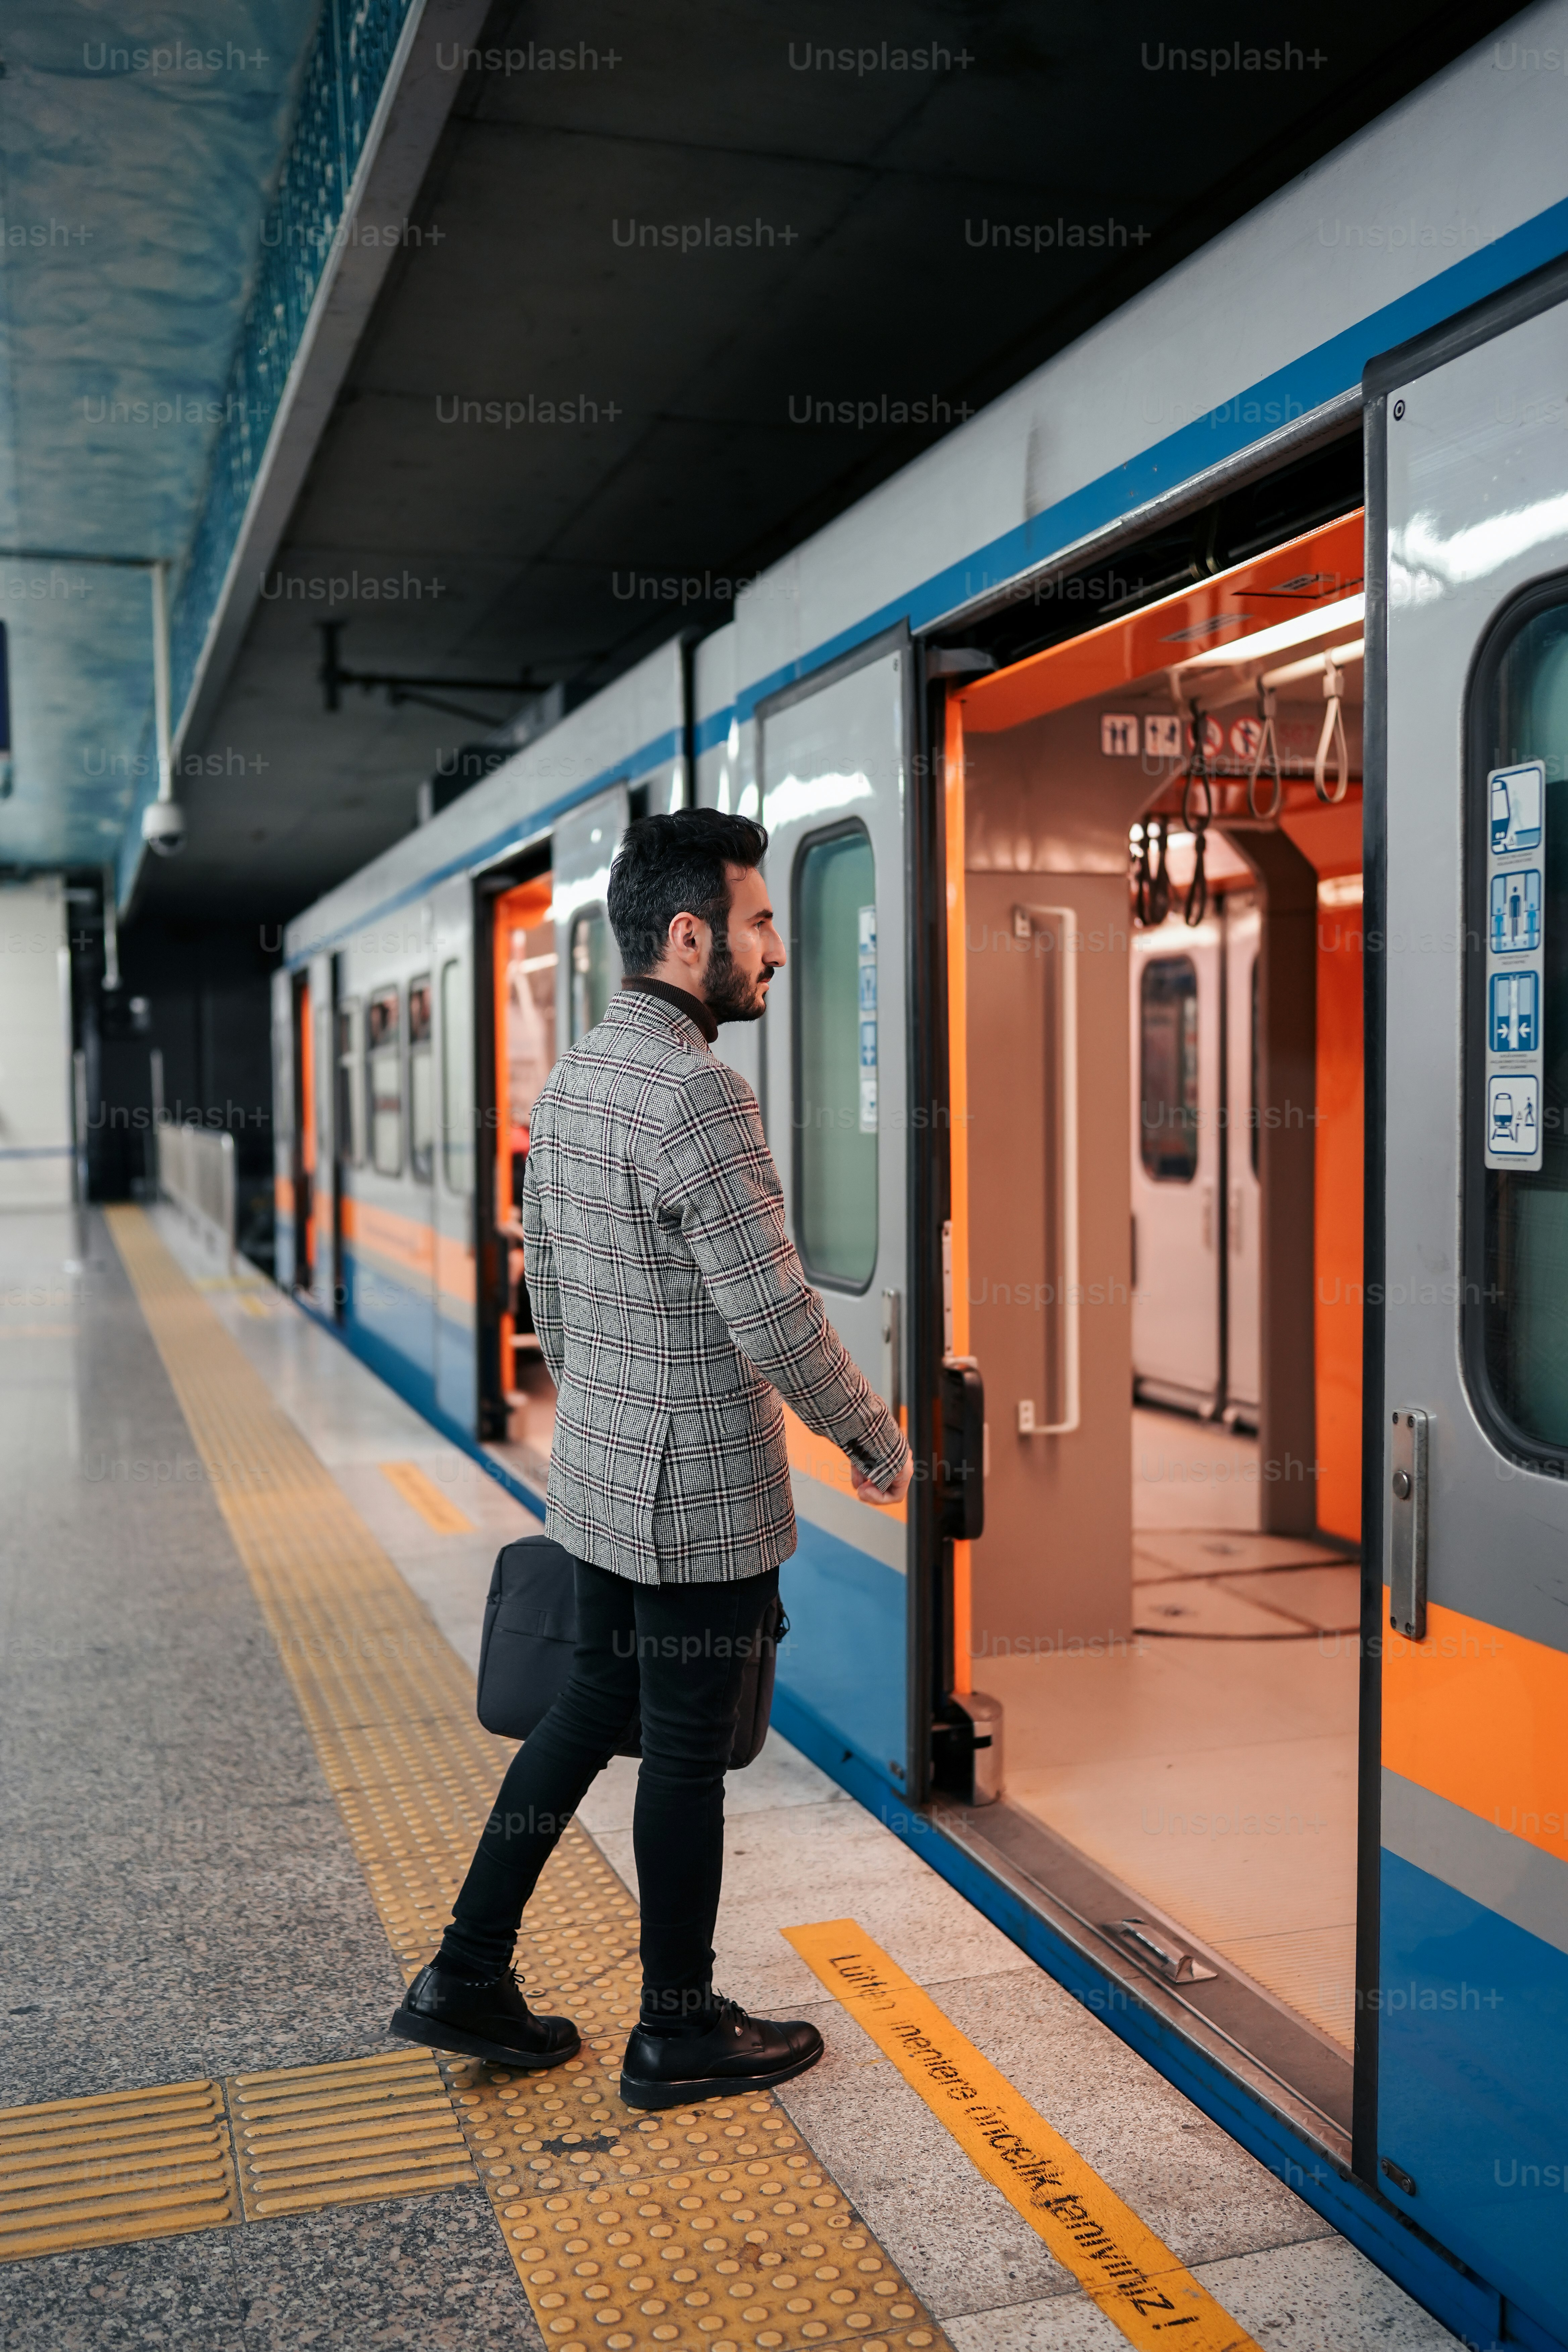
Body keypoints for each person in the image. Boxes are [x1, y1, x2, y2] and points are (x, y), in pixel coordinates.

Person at [392, 807, 913, 2108]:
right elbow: (775, 1310)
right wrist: (872, 1435)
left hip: (605, 1484)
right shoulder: (700, 1093)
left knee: (583, 1715)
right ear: (690, 937)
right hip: (697, 1510)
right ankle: (674, 2028)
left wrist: (613, 1421)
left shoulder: (570, 1084)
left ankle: (464, 1971)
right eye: (757, 920)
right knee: (684, 1752)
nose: (776, 950)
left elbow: (546, 1299)